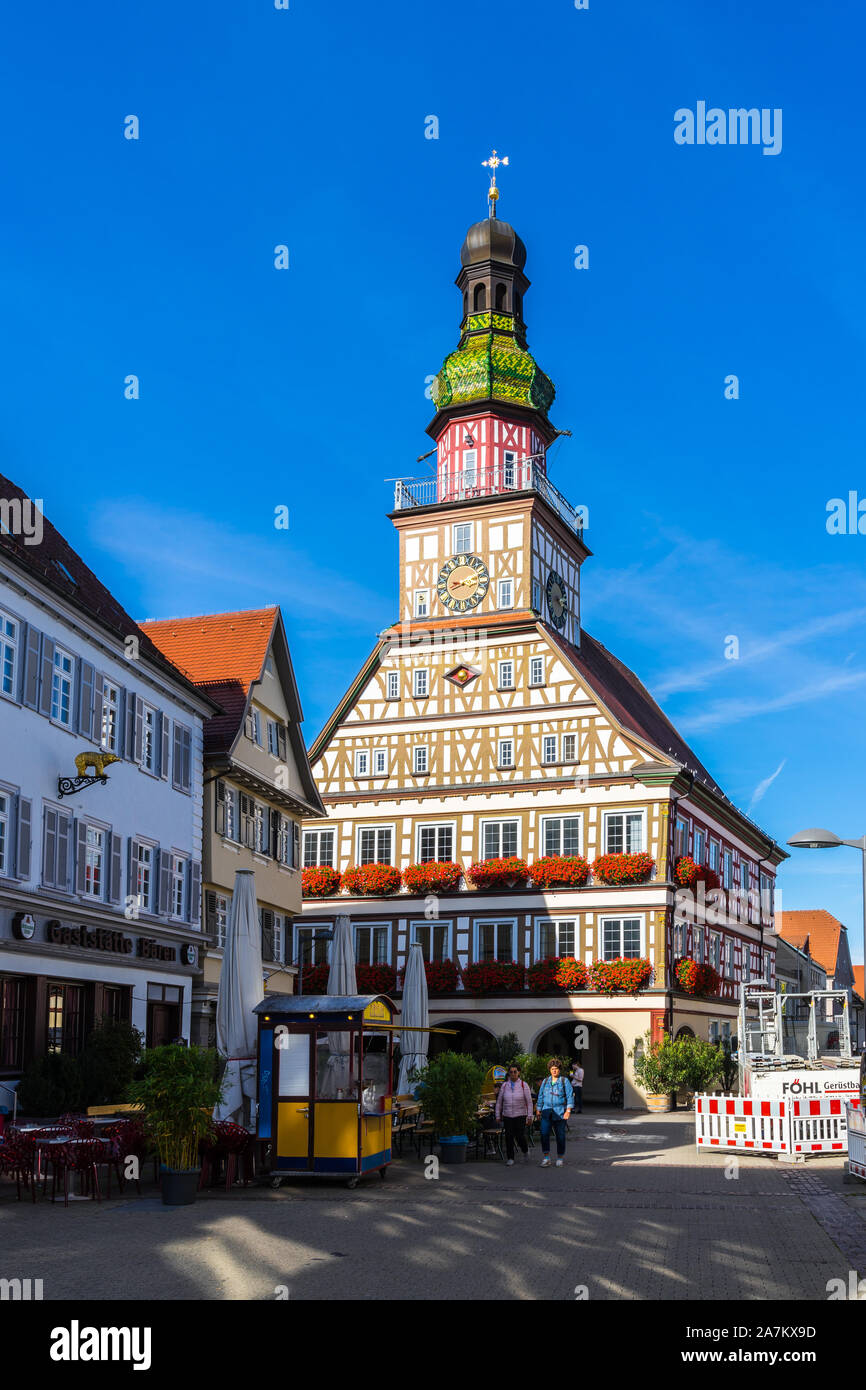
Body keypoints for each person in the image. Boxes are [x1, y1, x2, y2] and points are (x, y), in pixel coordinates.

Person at [536, 1058, 575, 1167]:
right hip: (546, 1111)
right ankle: (546, 1157)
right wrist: (538, 1109)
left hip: (560, 1112)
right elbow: (540, 1096)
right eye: (552, 1069)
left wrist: (568, 1110)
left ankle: (560, 1157)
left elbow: (570, 1096)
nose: (554, 1071)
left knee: (560, 1136)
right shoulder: (545, 1081)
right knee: (544, 1134)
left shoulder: (564, 1081)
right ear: (549, 1070)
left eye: (556, 1069)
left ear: (559, 1070)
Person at [495, 1063, 533, 1165]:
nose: (513, 1074)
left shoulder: (523, 1085)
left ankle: (525, 1150)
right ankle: (510, 1158)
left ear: (519, 1072)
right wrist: (498, 1115)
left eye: (515, 1072)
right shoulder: (504, 1085)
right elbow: (499, 1101)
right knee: (509, 1137)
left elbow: (529, 1102)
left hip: (520, 1114)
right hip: (507, 1115)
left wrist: (530, 1116)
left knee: (520, 1136)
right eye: (511, 1072)